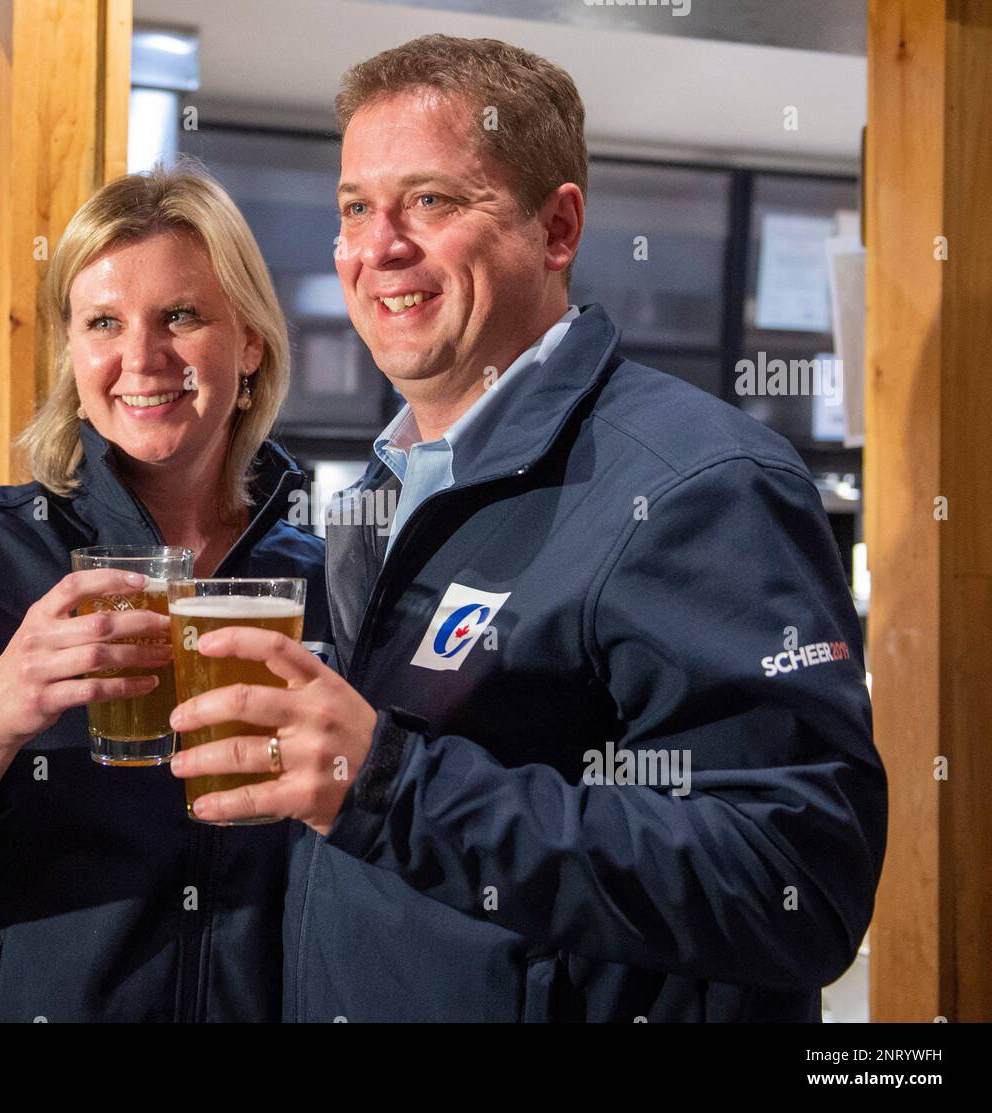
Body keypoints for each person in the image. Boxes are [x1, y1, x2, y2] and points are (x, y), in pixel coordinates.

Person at [167, 35, 887, 1022]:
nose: (377, 247)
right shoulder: (376, 494)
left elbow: (794, 882)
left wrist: (387, 784)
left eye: (431, 200)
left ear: (556, 229)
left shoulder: (699, 482)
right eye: (352, 209)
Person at [0, 164, 329, 1021]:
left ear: (251, 341)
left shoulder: (323, 583)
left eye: (180, 315)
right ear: (74, 354)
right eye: (103, 322)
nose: (141, 358)